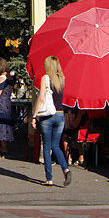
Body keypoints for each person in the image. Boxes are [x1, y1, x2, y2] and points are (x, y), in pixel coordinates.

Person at [31, 55, 71, 187]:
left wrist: (34, 115)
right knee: (56, 145)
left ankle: (49, 178)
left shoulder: (46, 78)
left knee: (47, 147)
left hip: (47, 116)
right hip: (60, 115)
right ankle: (65, 169)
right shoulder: (61, 79)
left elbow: (41, 98)